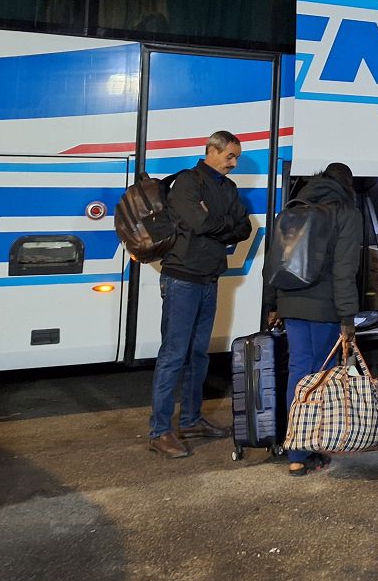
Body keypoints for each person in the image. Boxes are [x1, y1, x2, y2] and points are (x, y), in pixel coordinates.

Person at [148, 131, 252, 458]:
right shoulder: (188, 183)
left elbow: (244, 228)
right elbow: (199, 222)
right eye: (230, 156)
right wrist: (220, 223)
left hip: (209, 279)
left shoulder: (228, 188)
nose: (234, 163)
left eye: (236, 157)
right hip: (182, 279)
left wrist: (214, 220)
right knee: (173, 355)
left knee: (198, 355)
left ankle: (191, 419)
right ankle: (160, 431)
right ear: (211, 150)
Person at [264, 162, 362, 476]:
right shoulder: (346, 213)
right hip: (324, 309)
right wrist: (348, 317)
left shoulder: (296, 208)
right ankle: (311, 445)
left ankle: (294, 448)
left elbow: (273, 260)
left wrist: (272, 304)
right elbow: (345, 272)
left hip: (291, 303)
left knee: (298, 371)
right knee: (321, 376)